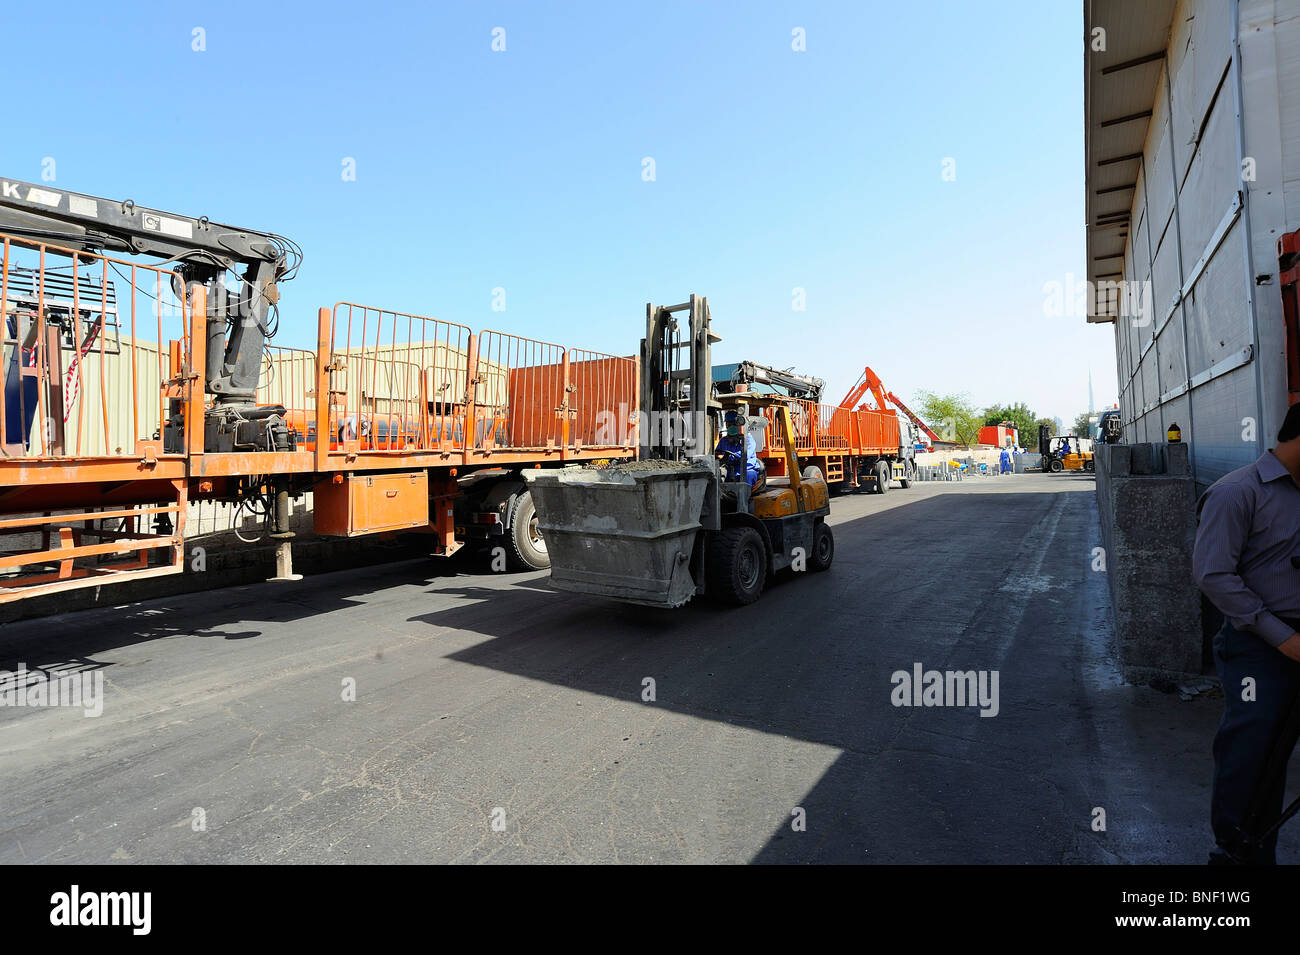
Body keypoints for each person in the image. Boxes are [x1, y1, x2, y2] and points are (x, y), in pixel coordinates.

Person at [1193, 402, 1300, 864]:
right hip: (1259, 645)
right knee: (1254, 755)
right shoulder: (1236, 493)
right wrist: (1283, 638)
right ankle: (1240, 853)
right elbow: (1214, 575)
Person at [714, 411, 761, 487]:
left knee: (747, 476)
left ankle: (743, 497)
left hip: (746, 469)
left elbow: (745, 455)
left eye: (733, 424)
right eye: (728, 424)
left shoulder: (748, 439)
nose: (730, 426)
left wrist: (727, 457)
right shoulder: (723, 440)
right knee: (715, 476)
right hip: (729, 470)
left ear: (739, 424)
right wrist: (716, 456)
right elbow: (718, 453)